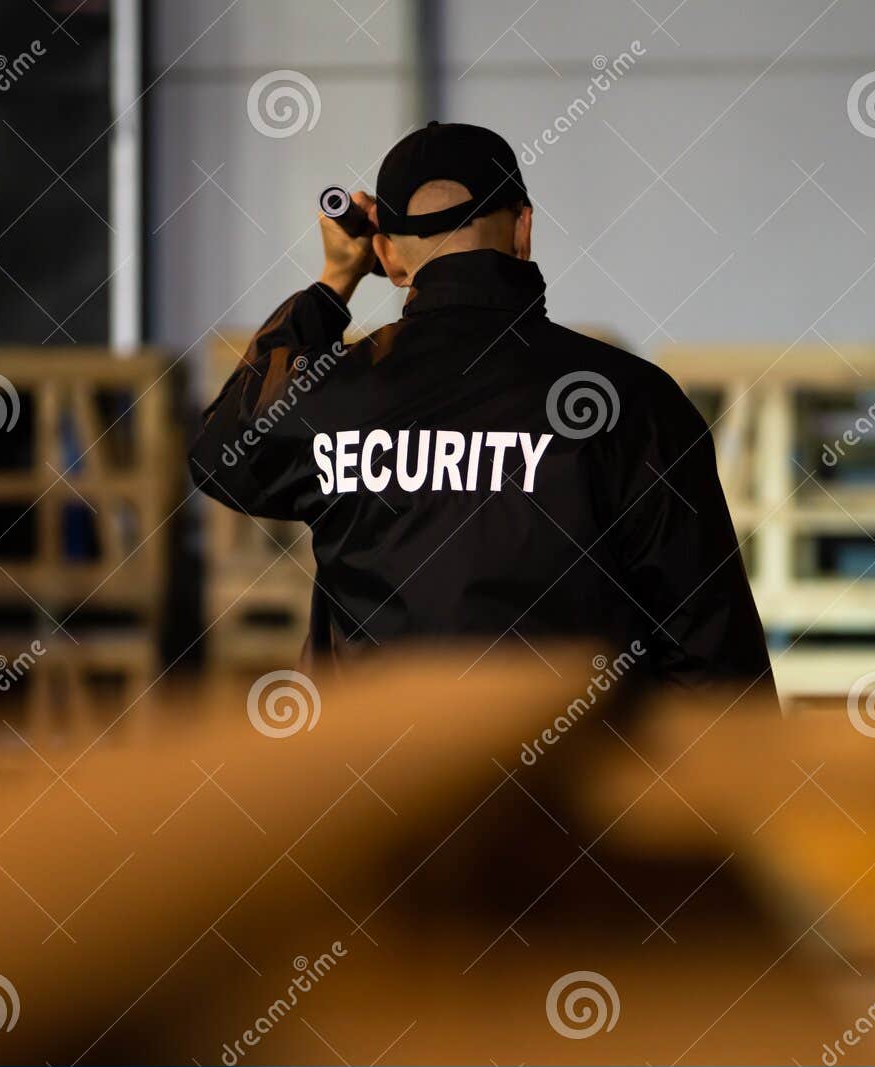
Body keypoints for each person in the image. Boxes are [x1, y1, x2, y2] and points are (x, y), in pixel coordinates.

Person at [189, 121, 773, 691]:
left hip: (372, 780)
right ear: (523, 230)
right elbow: (711, 648)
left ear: (389, 258)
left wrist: (333, 281)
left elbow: (222, 451)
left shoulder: (336, 393)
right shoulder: (633, 399)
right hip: (571, 779)